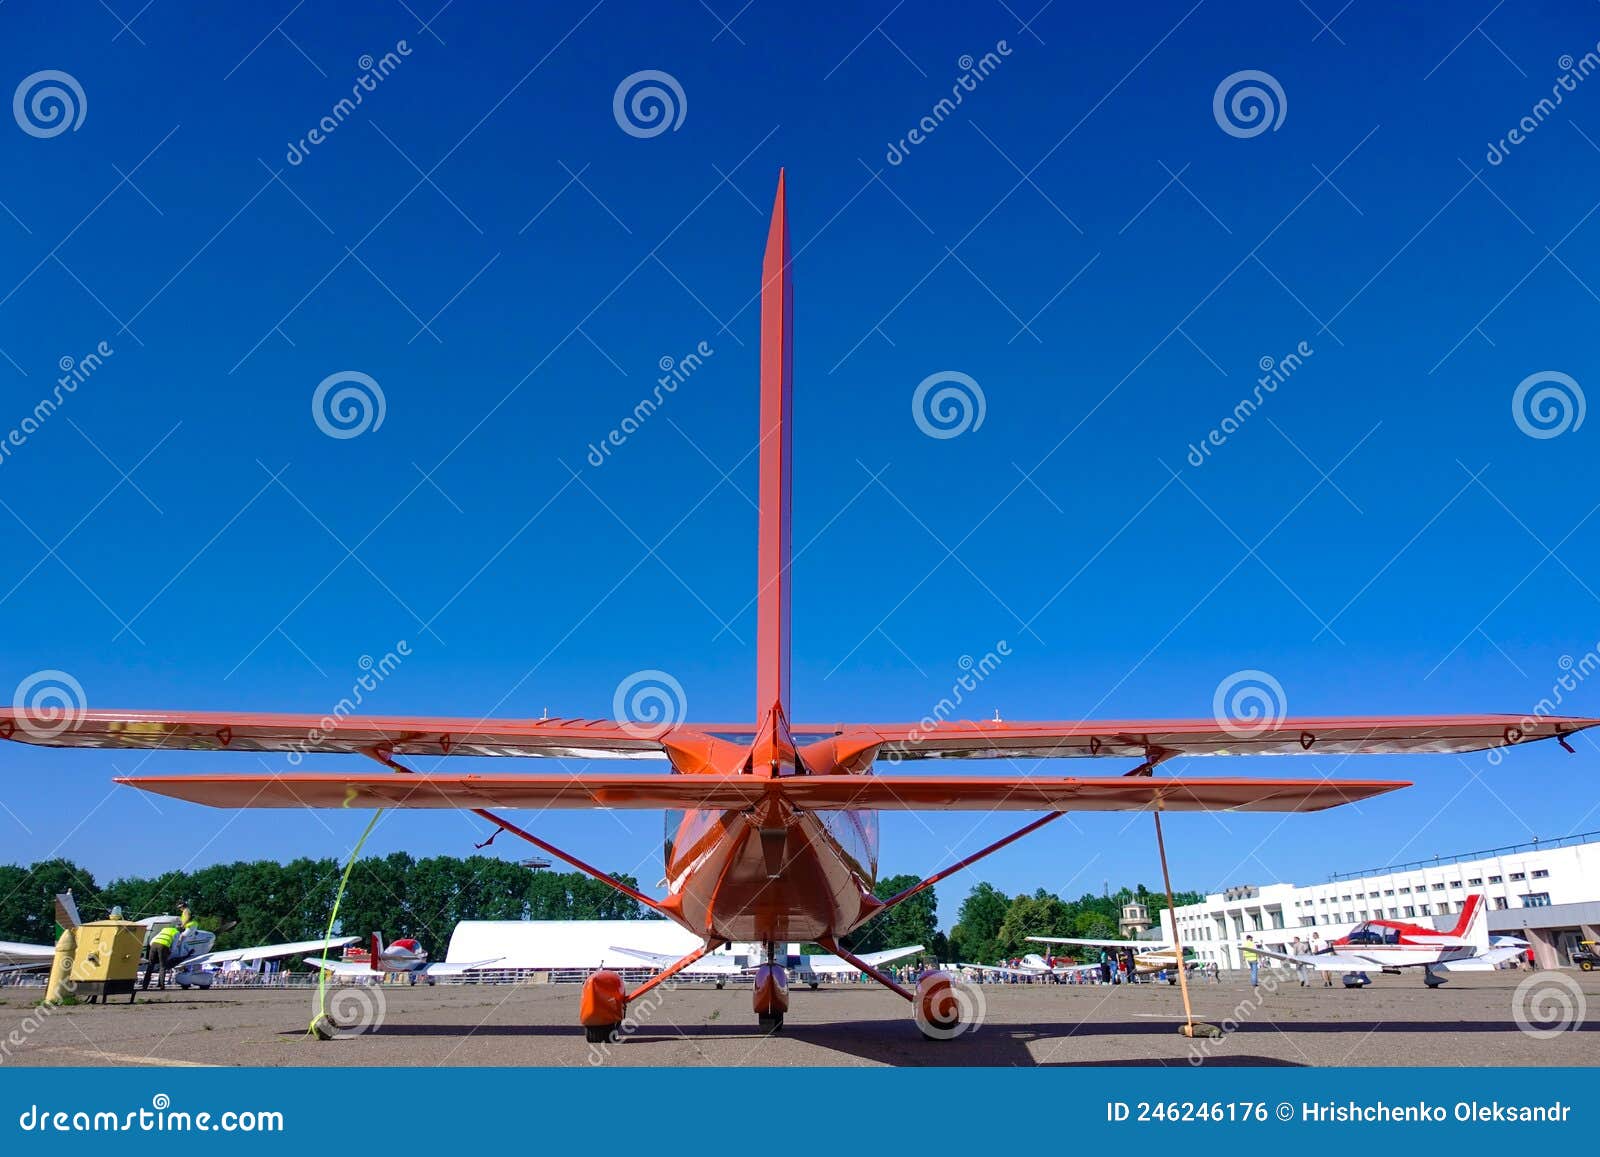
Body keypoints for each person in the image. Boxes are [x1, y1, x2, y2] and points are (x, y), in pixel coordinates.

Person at [143, 922, 179, 991]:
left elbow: (152, 940)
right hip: (163, 946)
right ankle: (162, 986)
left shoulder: (164, 929)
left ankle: (144, 986)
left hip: (154, 944)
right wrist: (170, 952)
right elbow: (174, 945)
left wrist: (153, 948)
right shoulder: (176, 932)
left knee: (150, 965)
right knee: (162, 966)